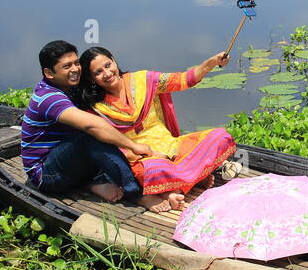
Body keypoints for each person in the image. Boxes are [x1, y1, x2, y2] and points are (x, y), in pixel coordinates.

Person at [78, 46, 240, 213]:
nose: (107, 73)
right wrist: (147, 154)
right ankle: (192, 178)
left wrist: (211, 62)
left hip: (173, 145)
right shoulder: (96, 109)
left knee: (220, 137)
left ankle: (175, 188)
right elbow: (112, 147)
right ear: (91, 79)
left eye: (107, 65)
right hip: (145, 158)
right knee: (154, 170)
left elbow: (183, 80)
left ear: (113, 60)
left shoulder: (143, 80)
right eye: (98, 72)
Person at [21, 39, 151, 203]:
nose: (75, 69)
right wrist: (133, 145)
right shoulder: (48, 98)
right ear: (49, 73)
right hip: (47, 175)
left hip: (71, 162)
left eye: (76, 63)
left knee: (100, 125)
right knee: (90, 134)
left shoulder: (70, 86)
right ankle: (138, 194)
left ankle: (93, 182)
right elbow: (91, 125)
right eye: (67, 66)